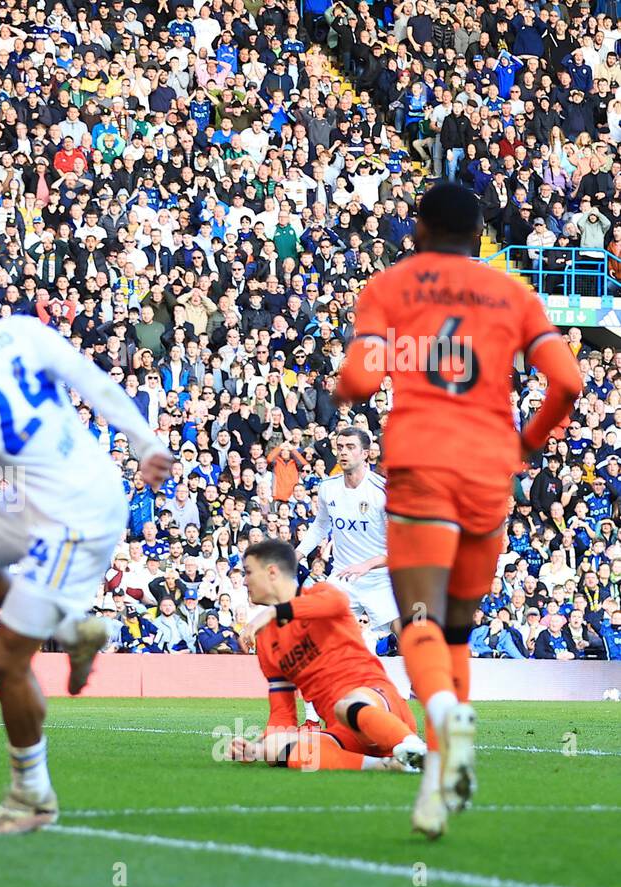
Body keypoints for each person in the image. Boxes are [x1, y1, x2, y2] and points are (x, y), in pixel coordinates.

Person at [336, 183, 583, 839]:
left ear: (418, 230)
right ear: (479, 235)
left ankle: (444, 713)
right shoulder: (515, 294)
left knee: (418, 618)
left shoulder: (390, 287)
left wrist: (343, 384)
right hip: (490, 474)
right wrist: (527, 442)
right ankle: (438, 791)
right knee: (458, 635)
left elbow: (361, 381)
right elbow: (569, 383)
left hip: (422, 468)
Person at [0, 269, 172, 834]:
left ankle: (31, 797)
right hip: (57, 491)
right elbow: (96, 384)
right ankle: (70, 631)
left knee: (3, 661)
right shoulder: (20, 330)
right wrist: (146, 443)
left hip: (73, 516)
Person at [231, 539, 427, 773]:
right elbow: (282, 712)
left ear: (272, 572)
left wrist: (273, 612)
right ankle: (386, 765)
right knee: (274, 749)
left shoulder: (323, 593)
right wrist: (258, 747)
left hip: (382, 708)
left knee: (346, 705)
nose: (244, 580)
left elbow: (337, 602)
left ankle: (414, 747)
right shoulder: (265, 640)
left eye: (249, 572)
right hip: (345, 732)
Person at [296, 426, 399, 639]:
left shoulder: (383, 492)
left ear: (365, 453)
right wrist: (295, 555)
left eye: (350, 447)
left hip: (381, 578)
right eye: (340, 447)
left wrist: (366, 565)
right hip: (343, 577)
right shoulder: (327, 488)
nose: (343, 452)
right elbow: (320, 526)